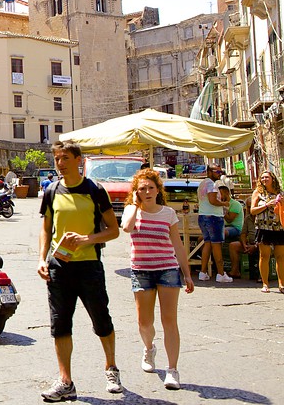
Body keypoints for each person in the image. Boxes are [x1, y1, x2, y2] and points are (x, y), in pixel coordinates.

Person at [38, 140, 122, 401]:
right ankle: (65, 381)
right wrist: (42, 259)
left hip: (89, 266)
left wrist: (87, 239)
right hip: (59, 267)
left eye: (65, 158)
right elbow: (46, 228)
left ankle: (111, 367)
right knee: (60, 325)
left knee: (101, 319)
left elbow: (113, 230)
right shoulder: (51, 191)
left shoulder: (95, 190)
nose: (60, 164)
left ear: (78, 160)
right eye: (57, 159)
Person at [120, 168, 194, 391]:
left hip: (167, 269)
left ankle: (172, 370)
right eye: (142, 188)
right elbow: (126, 227)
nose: (147, 191)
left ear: (157, 189)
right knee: (144, 322)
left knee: (169, 321)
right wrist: (134, 204)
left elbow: (178, 245)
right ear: (136, 192)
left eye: (151, 187)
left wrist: (187, 273)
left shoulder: (168, 214)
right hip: (141, 270)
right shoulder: (131, 211)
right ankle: (149, 348)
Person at [197, 165, 232, 283]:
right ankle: (221, 273)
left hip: (203, 215)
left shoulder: (203, 183)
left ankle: (203, 272)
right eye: (217, 171)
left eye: (220, 171)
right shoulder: (212, 184)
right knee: (217, 245)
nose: (219, 173)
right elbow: (212, 200)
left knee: (207, 243)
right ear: (209, 172)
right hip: (213, 217)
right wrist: (224, 204)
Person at [250, 170, 284, 293]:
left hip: (279, 227)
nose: (264, 179)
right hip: (264, 227)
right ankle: (265, 284)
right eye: (262, 178)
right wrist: (266, 205)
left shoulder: (280, 193)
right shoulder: (258, 193)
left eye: (267, 177)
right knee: (264, 256)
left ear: (273, 179)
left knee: (280, 256)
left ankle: (282, 284)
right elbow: (252, 211)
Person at [219, 184, 244, 273]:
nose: (219, 196)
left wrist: (222, 209)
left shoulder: (235, 204)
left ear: (226, 193)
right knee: (202, 239)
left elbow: (230, 219)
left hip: (235, 228)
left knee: (222, 233)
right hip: (223, 226)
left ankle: (233, 270)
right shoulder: (219, 204)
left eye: (220, 194)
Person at [229, 210, 259, 280]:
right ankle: (235, 271)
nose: (249, 209)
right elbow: (243, 234)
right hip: (250, 243)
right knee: (233, 246)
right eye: (248, 207)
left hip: (262, 244)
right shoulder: (248, 218)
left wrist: (255, 246)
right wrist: (244, 244)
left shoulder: (262, 217)